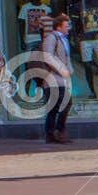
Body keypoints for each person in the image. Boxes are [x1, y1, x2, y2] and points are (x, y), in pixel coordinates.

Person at [40, 12, 73, 144]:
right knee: (62, 104)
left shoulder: (63, 39)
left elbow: (66, 57)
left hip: (61, 78)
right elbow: (48, 56)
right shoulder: (52, 38)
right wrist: (62, 70)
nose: (68, 28)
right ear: (58, 27)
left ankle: (53, 133)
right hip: (54, 78)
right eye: (66, 26)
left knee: (57, 106)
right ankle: (57, 131)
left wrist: (69, 70)